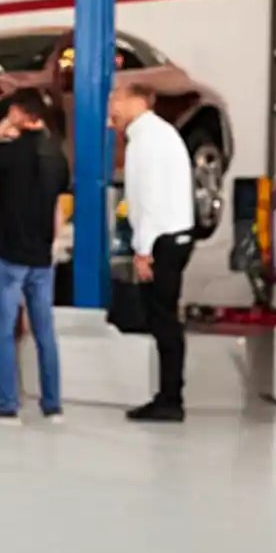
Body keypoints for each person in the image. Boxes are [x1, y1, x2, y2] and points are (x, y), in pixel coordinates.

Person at [0, 87, 70, 423]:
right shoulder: (57, 156)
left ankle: (8, 406)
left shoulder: (6, 151)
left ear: (24, 114)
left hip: (8, 253)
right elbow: (58, 206)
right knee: (44, 333)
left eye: (11, 111)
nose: (8, 116)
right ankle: (52, 406)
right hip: (41, 256)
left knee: (3, 332)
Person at [109, 83, 195, 422]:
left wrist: (143, 251)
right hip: (173, 236)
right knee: (164, 318)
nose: (111, 108)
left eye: (116, 100)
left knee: (163, 320)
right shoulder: (160, 134)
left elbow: (149, 199)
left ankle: (170, 399)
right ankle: (168, 394)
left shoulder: (146, 140)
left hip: (161, 240)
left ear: (139, 100)